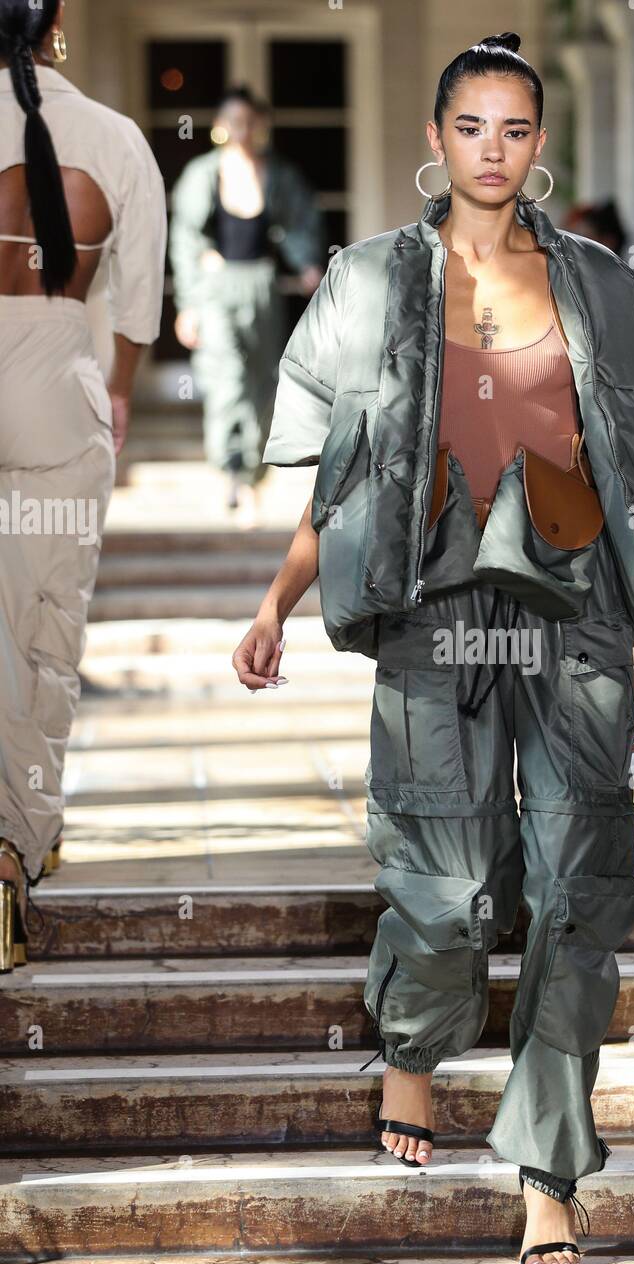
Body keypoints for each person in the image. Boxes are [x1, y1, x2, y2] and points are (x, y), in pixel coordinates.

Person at [232, 32, 634, 1264]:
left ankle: (548, 1170)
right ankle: (414, 1046)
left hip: (580, 609)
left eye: (517, 129)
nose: (494, 149)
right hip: (435, 613)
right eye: (472, 127)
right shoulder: (373, 281)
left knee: (579, 881)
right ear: (437, 141)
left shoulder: (597, 284)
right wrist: (275, 603)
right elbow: (338, 477)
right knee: (442, 890)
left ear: (542, 146)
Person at [0, 0, 167, 971]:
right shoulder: (115, 140)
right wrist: (117, 393)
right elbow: (138, 303)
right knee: (44, 639)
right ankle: (14, 859)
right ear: (55, 26)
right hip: (63, 406)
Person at [169, 87, 323, 527]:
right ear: (220, 124)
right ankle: (230, 471)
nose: (242, 128)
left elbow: (298, 225)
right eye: (233, 119)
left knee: (262, 383)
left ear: (260, 126)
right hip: (216, 288)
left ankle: (253, 477)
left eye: (250, 120)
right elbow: (186, 239)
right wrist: (189, 304)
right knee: (227, 378)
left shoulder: (278, 175)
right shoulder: (204, 174)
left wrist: (306, 263)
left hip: (262, 287)